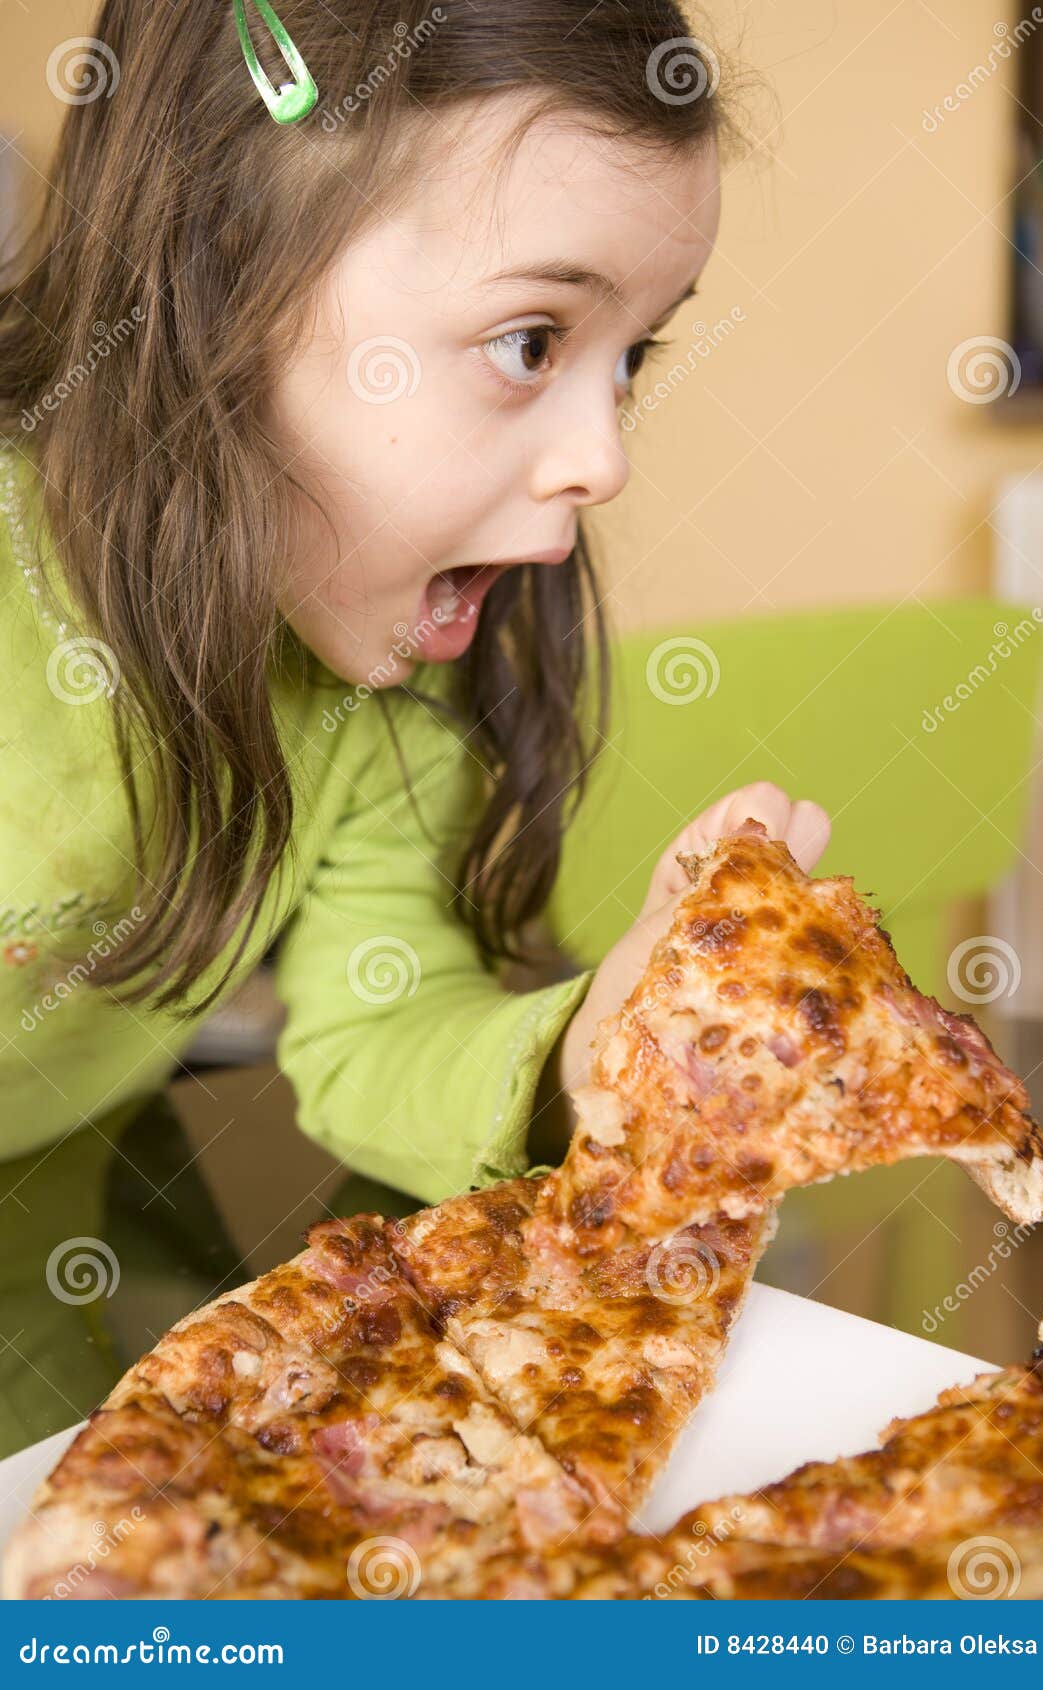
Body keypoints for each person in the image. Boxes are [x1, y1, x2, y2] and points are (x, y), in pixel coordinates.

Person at [0, 1, 831, 1449]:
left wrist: (600, 1054)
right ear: (219, 279)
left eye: (631, 355)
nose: (604, 457)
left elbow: (380, 1024)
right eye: (530, 339)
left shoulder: (386, 667)